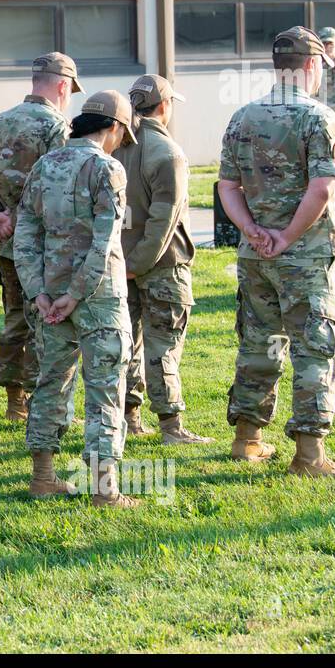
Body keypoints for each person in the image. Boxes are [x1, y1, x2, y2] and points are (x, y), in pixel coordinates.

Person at [218, 26, 335, 478]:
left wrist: (254, 230)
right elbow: (322, 188)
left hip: (255, 252)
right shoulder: (320, 117)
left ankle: (247, 439)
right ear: (313, 65)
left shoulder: (243, 115)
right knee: (314, 345)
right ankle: (310, 456)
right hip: (305, 254)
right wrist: (288, 237)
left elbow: (227, 185)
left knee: (258, 341)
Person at [14, 92, 140, 507]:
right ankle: (104, 490)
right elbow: (104, 244)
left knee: (51, 381)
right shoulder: (108, 169)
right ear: (115, 128)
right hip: (98, 297)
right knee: (104, 386)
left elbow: (25, 234)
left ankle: (44, 477)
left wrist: (40, 293)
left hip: (50, 297)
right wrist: (75, 294)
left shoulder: (45, 165)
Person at [0, 52, 79, 421]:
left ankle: (15, 399)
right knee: (48, 319)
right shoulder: (57, 127)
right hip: (46, 246)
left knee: (15, 318)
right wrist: (18, 218)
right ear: (63, 85)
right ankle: (41, 402)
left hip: (8, 244)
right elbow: (56, 186)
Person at [115, 75, 211, 445]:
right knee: (164, 346)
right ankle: (171, 426)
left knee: (128, 344)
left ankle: (130, 416)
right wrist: (139, 263)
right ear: (164, 106)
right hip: (160, 266)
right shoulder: (167, 152)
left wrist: (125, 264)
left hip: (123, 263)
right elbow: (163, 222)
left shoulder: (116, 145)